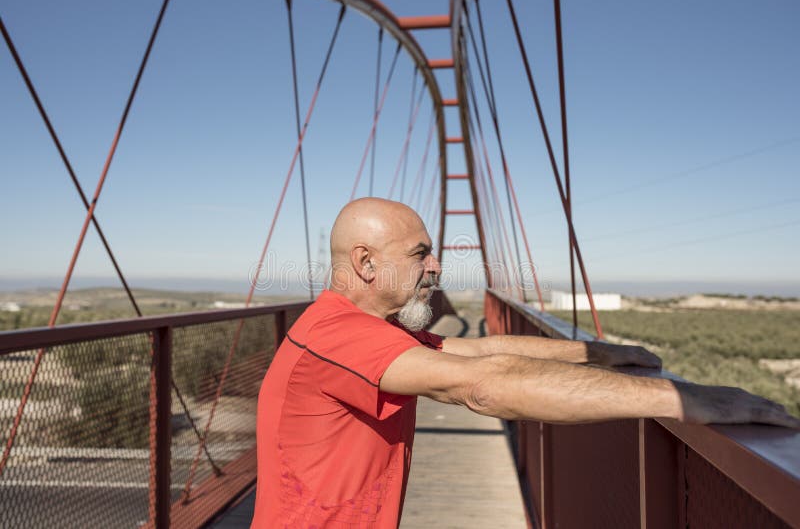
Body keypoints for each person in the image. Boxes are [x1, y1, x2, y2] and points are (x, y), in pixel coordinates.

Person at [251, 197, 799, 528]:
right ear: (366, 263)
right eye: (421, 253)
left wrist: (602, 354)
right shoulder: (340, 337)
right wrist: (681, 399)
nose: (438, 265)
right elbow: (479, 385)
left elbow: (485, 349)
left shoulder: (371, 331)